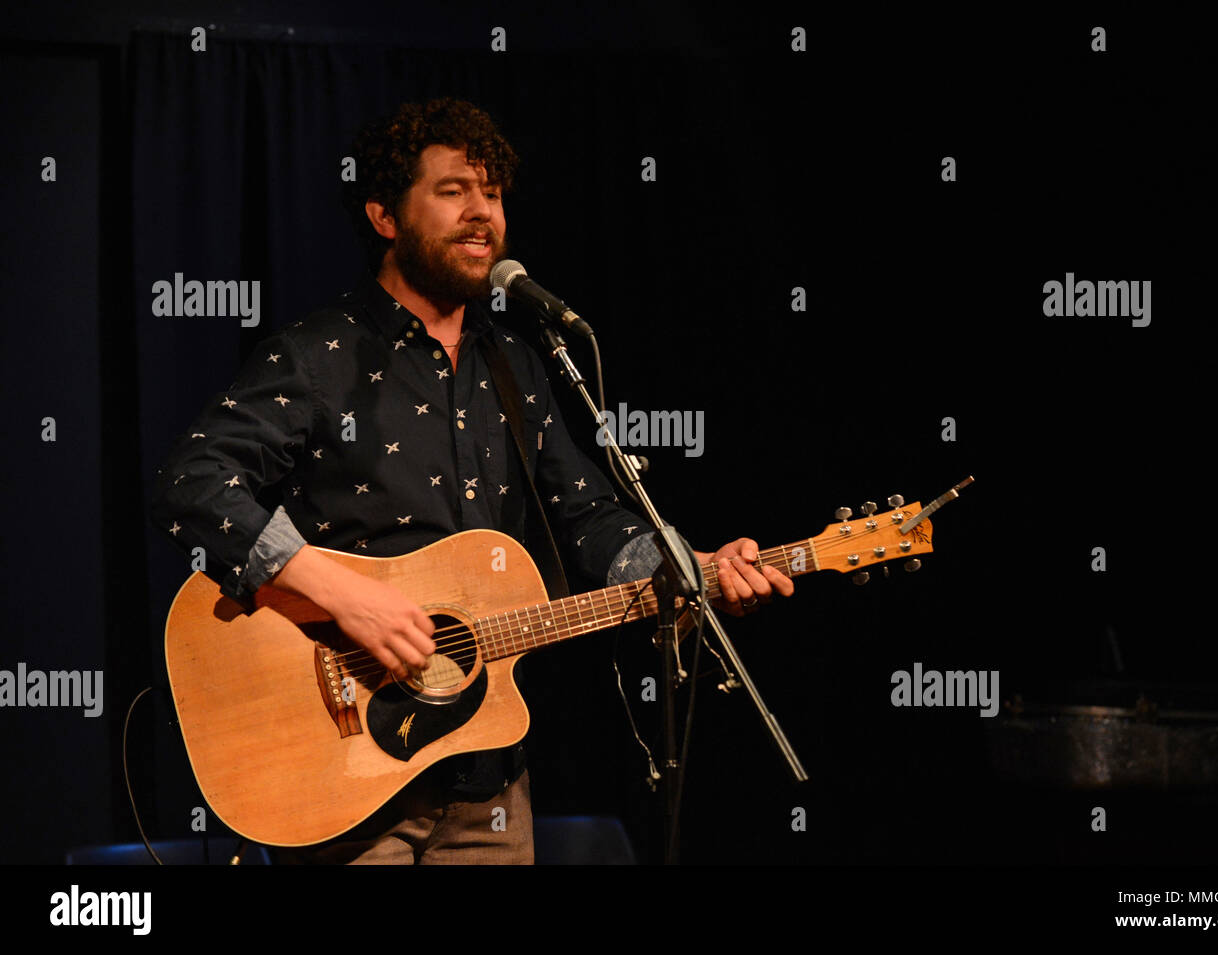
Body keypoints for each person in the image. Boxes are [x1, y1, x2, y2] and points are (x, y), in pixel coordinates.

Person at [151, 97, 793, 864]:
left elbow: (589, 519)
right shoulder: (320, 353)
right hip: (340, 777)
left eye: (491, 193)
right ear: (385, 217)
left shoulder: (518, 365)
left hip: (488, 780)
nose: (482, 213)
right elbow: (193, 479)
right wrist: (343, 595)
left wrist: (692, 570)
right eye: (453, 190)